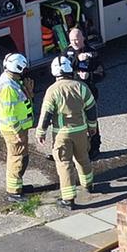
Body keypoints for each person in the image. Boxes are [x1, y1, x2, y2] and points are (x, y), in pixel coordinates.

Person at [38, 54, 97, 206]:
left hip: (62, 134)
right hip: (81, 131)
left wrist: (41, 132)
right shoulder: (81, 87)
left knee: (64, 164)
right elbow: (91, 109)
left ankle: (68, 199)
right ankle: (89, 185)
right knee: (83, 158)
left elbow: (46, 114)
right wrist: (92, 127)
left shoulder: (52, 91)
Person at [0, 52, 35, 203]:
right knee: (16, 158)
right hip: (14, 130)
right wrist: (18, 131)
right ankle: (14, 192)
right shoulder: (8, 87)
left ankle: (18, 187)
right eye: (23, 69)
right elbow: (10, 115)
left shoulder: (11, 79)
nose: (25, 71)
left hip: (18, 128)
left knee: (21, 156)